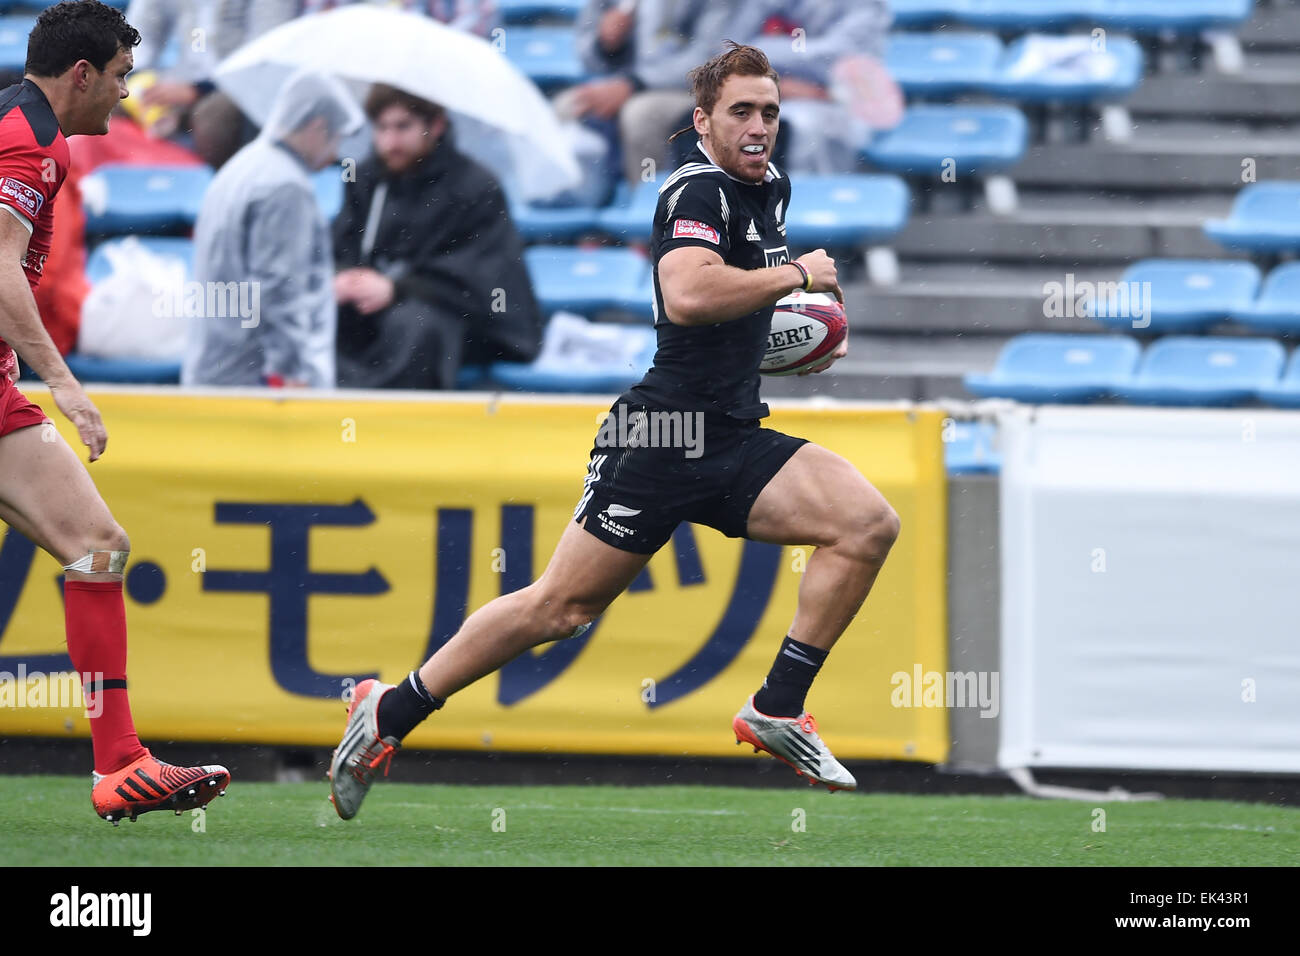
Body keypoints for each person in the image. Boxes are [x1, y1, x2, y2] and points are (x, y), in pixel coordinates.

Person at [328, 43, 901, 819]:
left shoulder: (769, 187)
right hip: (663, 434)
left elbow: (732, 310)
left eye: (770, 110)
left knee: (866, 524)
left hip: (730, 431)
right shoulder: (694, 190)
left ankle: (777, 706)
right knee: (557, 610)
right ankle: (390, 711)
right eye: (741, 111)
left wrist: (797, 341)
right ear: (703, 121)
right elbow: (691, 295)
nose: (759, 124)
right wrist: (798, 276)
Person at [0, 0, 229, 824]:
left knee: (97, 547)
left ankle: (120, 764)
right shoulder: (27, 143)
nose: (127, 97)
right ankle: (118, 760)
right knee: (97, 547)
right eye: (124, 78)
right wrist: (63, 383)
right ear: (83, 73)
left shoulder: (19, 126)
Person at [333, 85, 542, 390]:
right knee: (322, 312)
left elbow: (481, 277)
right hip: (374, 307)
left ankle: (392, 422)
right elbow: (343, 244)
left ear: (437, 125)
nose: (391, 141)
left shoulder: (476, 187)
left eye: (403, 127)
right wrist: (343, 279)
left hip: (457, 315)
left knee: (415, 325)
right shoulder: (366, 180)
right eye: (381, 128)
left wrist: (398, 288)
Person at [182, 69, 362, 388]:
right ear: (317, 127)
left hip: (218, 367)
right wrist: (292, 370)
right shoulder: (285, 187)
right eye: (335, 139)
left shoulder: (243, 167)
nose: (336, 154)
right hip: (257, 381)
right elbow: (279, 287)